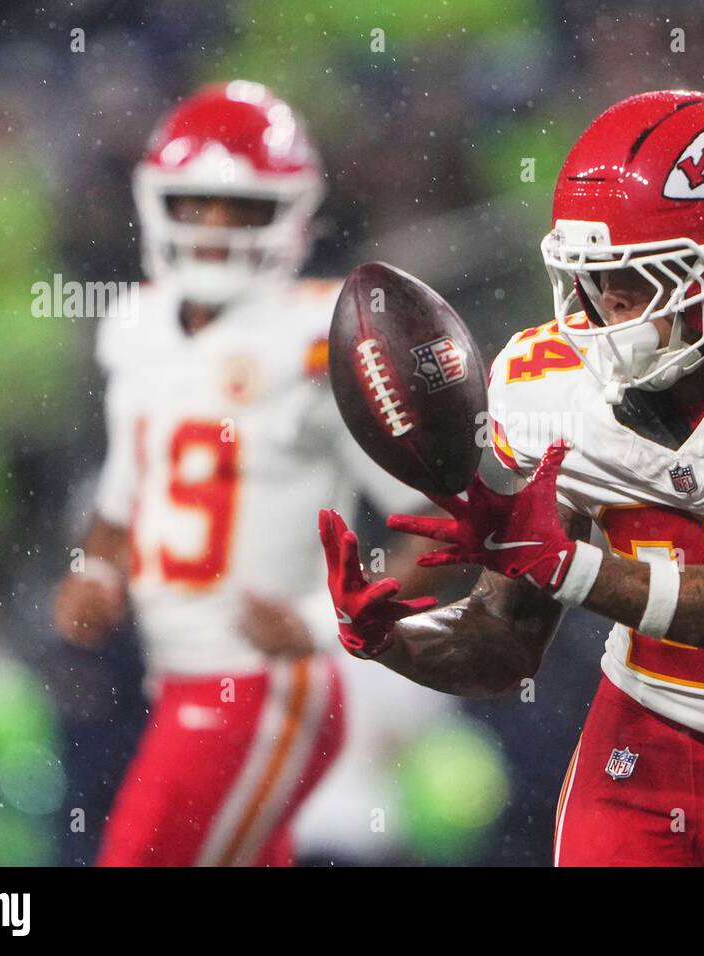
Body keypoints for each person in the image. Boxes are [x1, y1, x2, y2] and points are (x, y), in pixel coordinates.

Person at [319, 90, 704, 866]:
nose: (606, 304)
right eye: (592, 276)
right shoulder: (548, 385)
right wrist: (391, 641)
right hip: (638, 759)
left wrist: (567, 564)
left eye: (642, 278)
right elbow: (503, 644)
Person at [53, 81, 428, 866]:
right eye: (198, 205)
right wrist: (97, 571)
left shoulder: (317, 340)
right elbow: (125, 493)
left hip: (266, 684)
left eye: (244, 209)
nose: (217, 229)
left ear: (292, 213)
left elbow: (443, 526)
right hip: (178, 679)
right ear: (158, 202)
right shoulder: (137, 328)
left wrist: (331, 621)